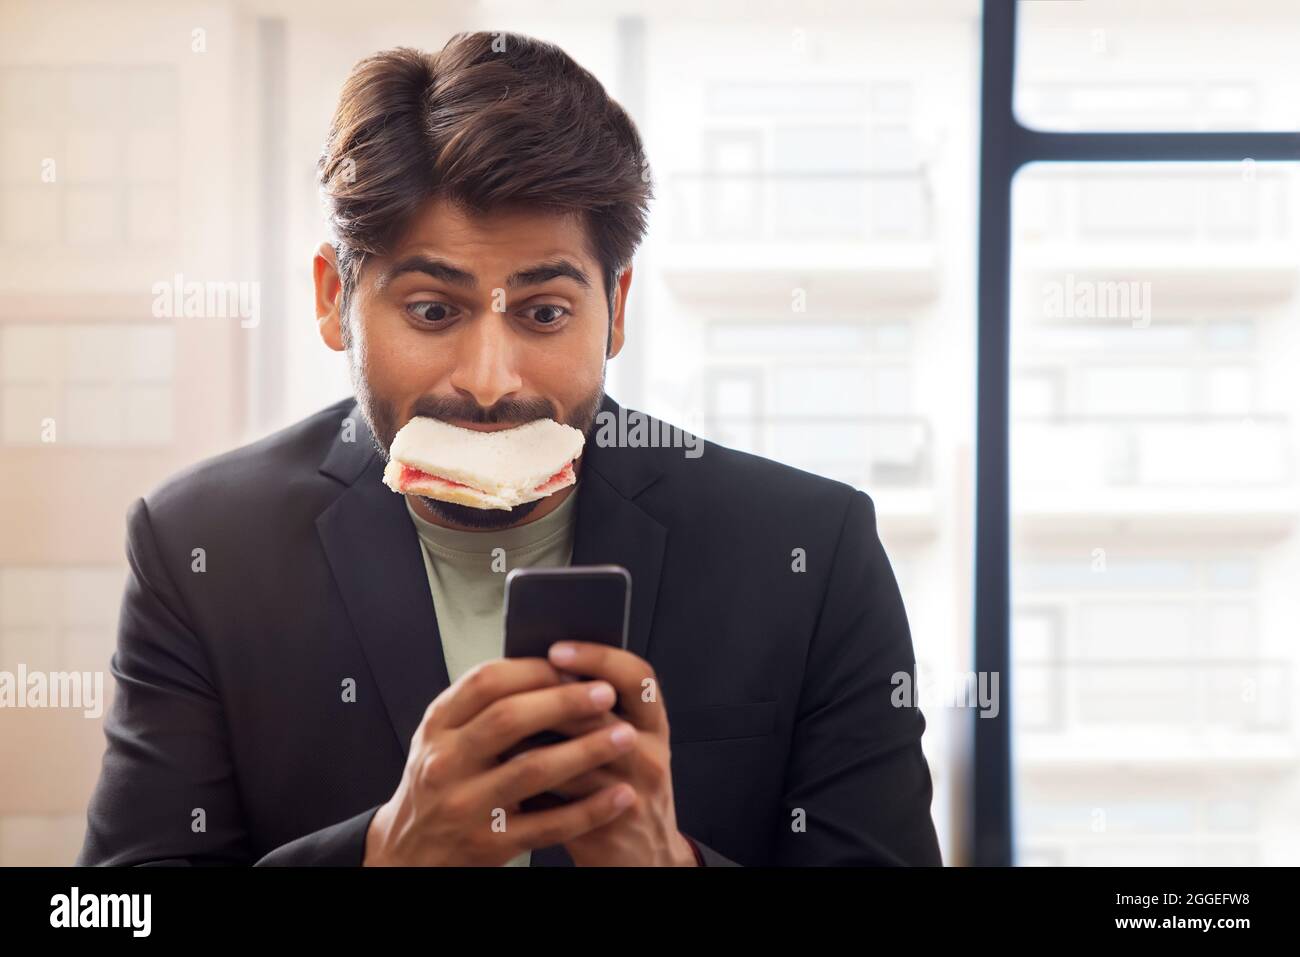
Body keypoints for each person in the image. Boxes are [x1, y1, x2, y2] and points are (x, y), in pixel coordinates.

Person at [78, 31, 941, 867]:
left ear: (618, 309)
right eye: (432, 310)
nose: (489, 382)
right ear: (333, 297)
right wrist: (383, 859)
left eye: (544, 313)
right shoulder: (200, 549)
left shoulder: (812, 551)